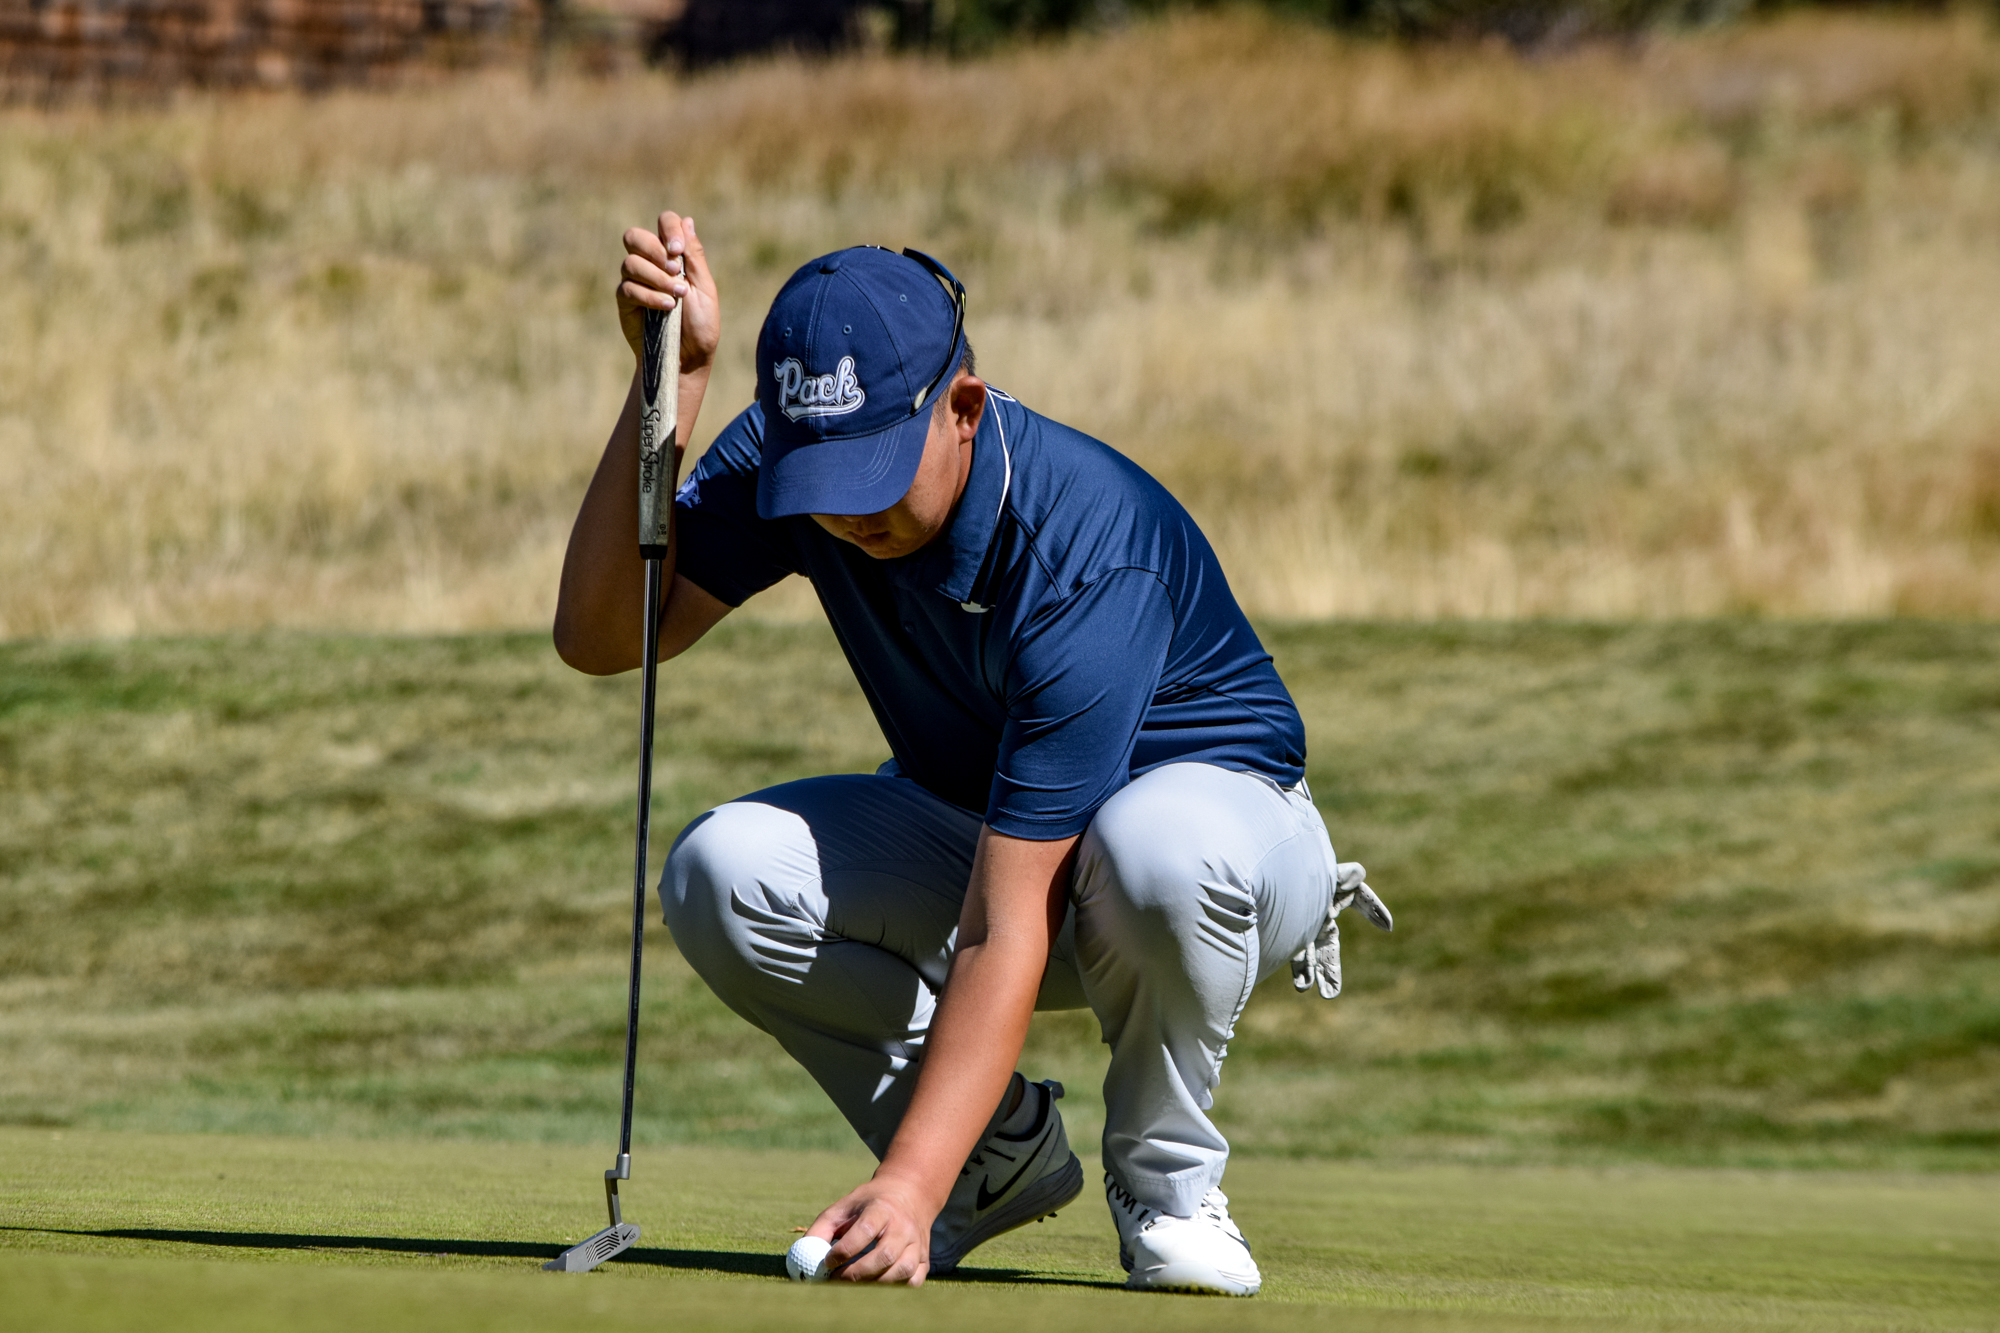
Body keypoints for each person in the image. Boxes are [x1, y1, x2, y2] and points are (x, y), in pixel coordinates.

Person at [553, 212, 1390, 1294]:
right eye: (820, 476)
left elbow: (1008, 922)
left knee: (1149, 853)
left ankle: (1167, 1184)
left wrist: (906, 1184)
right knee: (722, 871)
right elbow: (604, 636)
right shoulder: (797, 459)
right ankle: (992, 1158)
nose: (846, 511)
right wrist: (675, 380)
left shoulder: (1083, 548)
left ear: (962, 407)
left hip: (1221, 846)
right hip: (985, 818)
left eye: (873, 471)